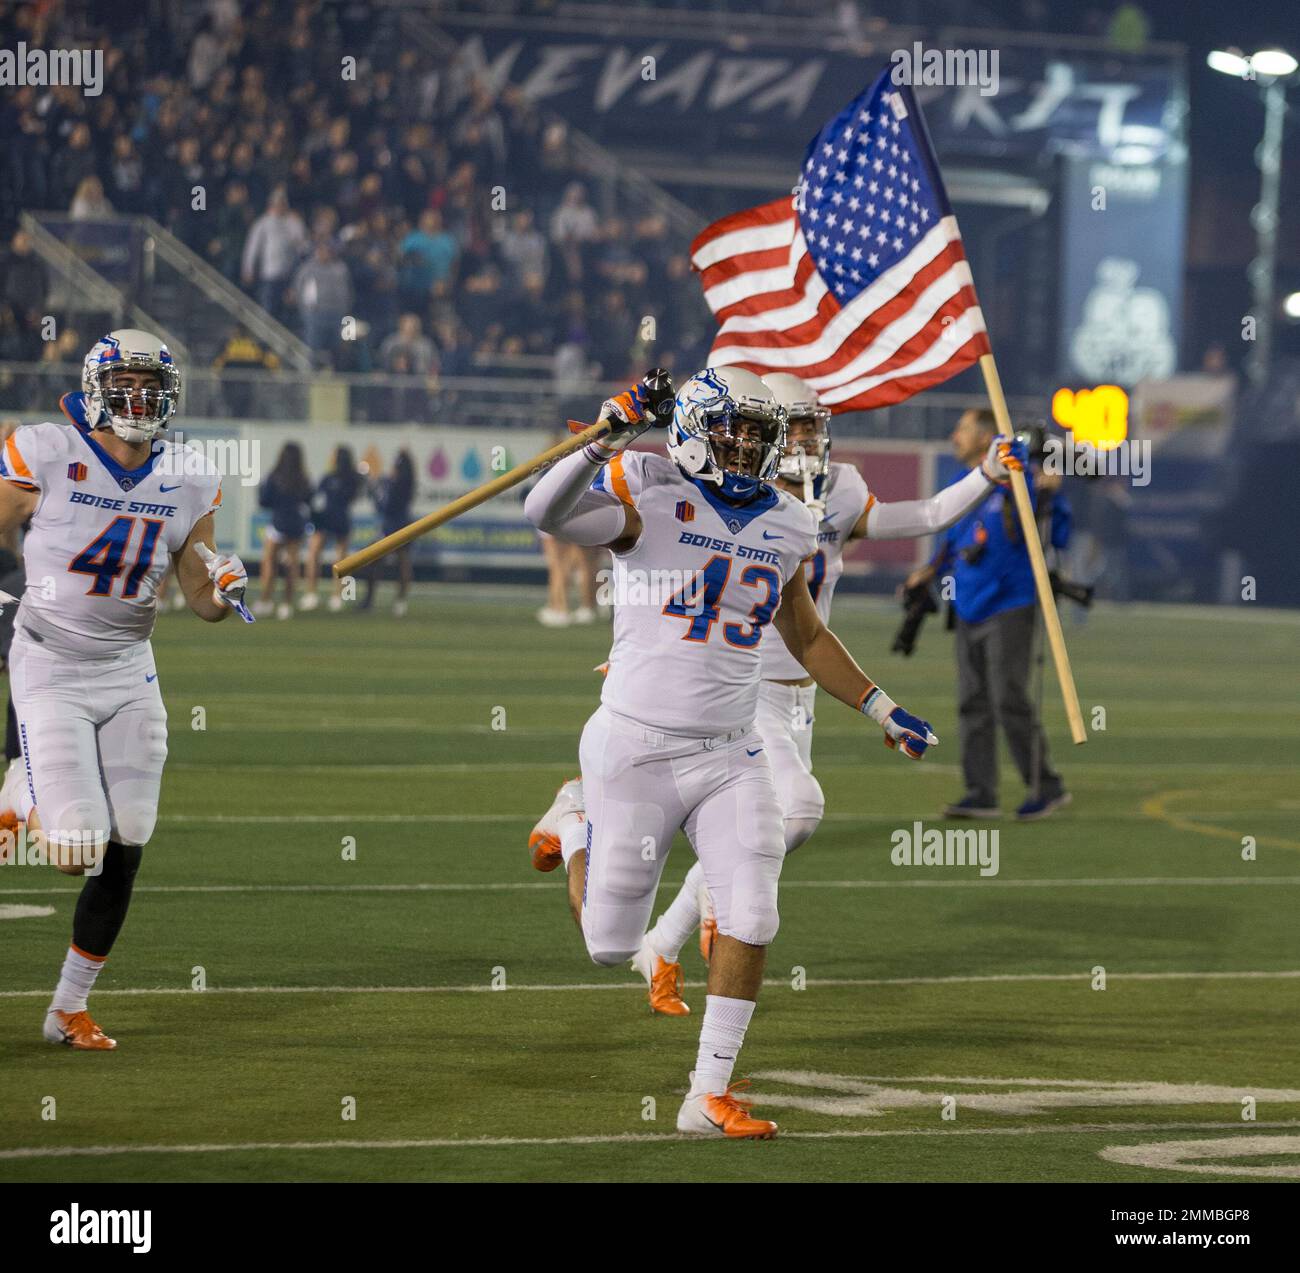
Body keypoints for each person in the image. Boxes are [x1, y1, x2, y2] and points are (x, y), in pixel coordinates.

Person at [523, 366, 939, 1138]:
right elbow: (541, 510)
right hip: (636, 748)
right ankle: (575, 816)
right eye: (734, 430)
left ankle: (704, 1095)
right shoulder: (646, 491)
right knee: (610, 947)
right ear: (693, 428)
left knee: (752, 908)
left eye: (758, 433)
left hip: (731, 748)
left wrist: (883, 706)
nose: (747, 445)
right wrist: (599, 439)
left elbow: (807, 634)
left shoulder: (786, 519)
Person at [530, 373, 1026, 1011]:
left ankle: (674, 959)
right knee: (794, 814)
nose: (788, 441)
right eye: (786, 427)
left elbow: (898, 542)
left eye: (795, 428)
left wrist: (985, 475)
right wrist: (604, 442)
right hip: (737, 695)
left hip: (799, 700)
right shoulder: (674, 488)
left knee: (768, 837)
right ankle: (635, 870)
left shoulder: (821, 502)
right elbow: (574, 526)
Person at [0, 329, 250, 1049]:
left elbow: (199, 597)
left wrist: (226, 588)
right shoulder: (48, 448)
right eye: (128, 384)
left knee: (128, 837)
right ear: (99, 388)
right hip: (49, 660)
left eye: (151, 386)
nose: (140, 398)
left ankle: (66, 1007)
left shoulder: (191, 476)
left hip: (129, 667)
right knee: (75, 846)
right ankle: (21, 787)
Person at [905, 409, 1072, 821]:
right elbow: (954, 538)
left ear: (985, 438)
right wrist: (929, 571)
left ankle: (1045, 785)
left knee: (1009, 697)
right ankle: (981, 791)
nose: (954, 436)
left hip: (1010, 603)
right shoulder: (967, 486)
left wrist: (1044, 488)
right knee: (972, 701)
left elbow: (1047, 531)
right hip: (968, 605)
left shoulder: (1019, 481)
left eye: (962, 429)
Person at [301, 445, 364, 611]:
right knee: (314, 553)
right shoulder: (329, 477)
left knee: (341, 559)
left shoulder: (351, 478)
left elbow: (351, 496)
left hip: (339, 517)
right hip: (324, 518)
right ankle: (311, 593)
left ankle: (337, 595)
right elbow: (316, 496)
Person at [255, 442, 313, 620]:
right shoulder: (303, 477)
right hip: (296, 523)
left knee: (269, 562)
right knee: (292, 565)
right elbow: (309, 498)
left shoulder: (274, 476)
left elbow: (264, 500)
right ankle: (286, 604)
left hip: (278, 522)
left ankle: (266, 600)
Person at [362, 451, 415, 616]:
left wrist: (375, 489)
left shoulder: (394, 484)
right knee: (402, 564)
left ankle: (370, 600)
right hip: (403, 526)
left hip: (392, 527)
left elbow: (384, 506)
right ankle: (400, 601)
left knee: (375, 562)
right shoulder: (406, 483)